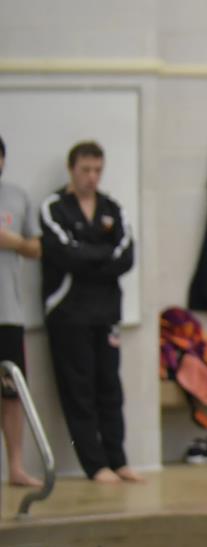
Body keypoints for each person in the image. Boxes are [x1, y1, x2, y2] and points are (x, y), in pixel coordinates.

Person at [39, 142, 140, 484]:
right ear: (72, 169)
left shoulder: (113, 207)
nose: (92, 177)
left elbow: (125, 257)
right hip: (68, 312)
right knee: (78, 390)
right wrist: (100, 256)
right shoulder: (54, 208)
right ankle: (95, 465)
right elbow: (64, 254)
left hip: (106, 311)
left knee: (109, 387)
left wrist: (89, 256)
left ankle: (118, 459)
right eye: (86, 170)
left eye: (98, 170)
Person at [0, 136, 44, 488]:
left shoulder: (16, 196)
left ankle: (15, 467)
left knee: (12, 393)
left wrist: (10, 241)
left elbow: (36, 248)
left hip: (8, 312)